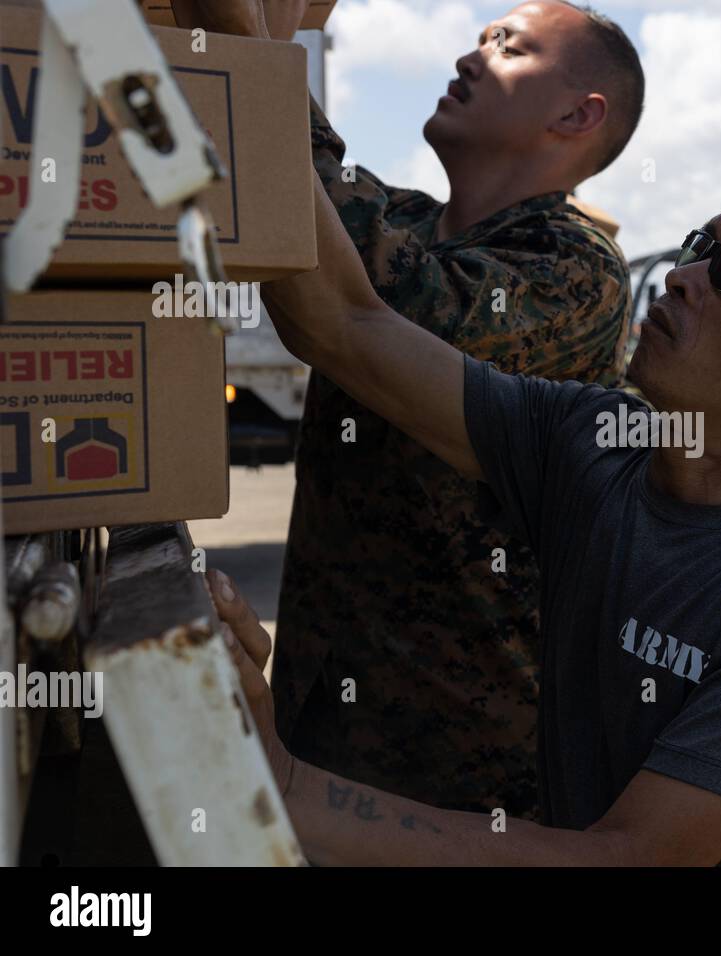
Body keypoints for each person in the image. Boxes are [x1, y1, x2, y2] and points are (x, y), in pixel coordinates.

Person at [213, 159, 721, 865]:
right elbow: (345, 325)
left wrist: (286, 788)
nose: (682, 277)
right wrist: (253, 103)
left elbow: (630, 858)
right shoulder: (596, 444)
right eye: (699, 246)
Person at [174, 0, 644, 819]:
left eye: (509, 46)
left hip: (461, 769)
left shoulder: (576, 271)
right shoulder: (413, 222)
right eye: (480, 36)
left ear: (578, 114)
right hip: (324, 721)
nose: (471, 55)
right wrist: (247, 38)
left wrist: (252, 41)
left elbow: (365, 302)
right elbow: (300, 196)